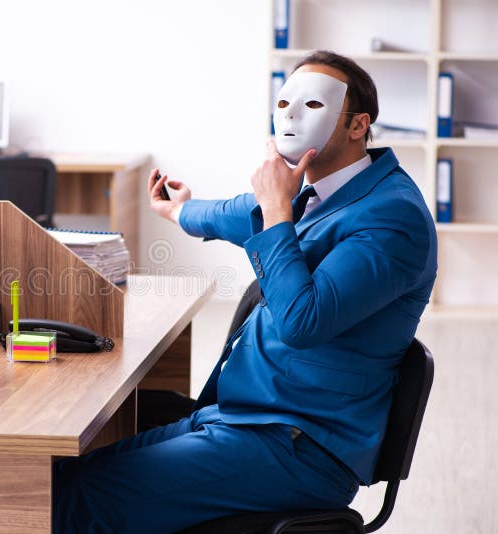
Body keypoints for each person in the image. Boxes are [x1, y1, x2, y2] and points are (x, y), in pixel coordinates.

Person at [52, 50, 437, 533]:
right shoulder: (320, 191)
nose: (292, 115)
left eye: (314, 105)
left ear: (358, 125)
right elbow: (241, 213)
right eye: (283, 103)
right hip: (244, 418)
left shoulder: (392, 218)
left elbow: (302, 321)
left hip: (300, 446)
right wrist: (180, 212)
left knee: (74, 500)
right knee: (61, 475)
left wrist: (278, 208)